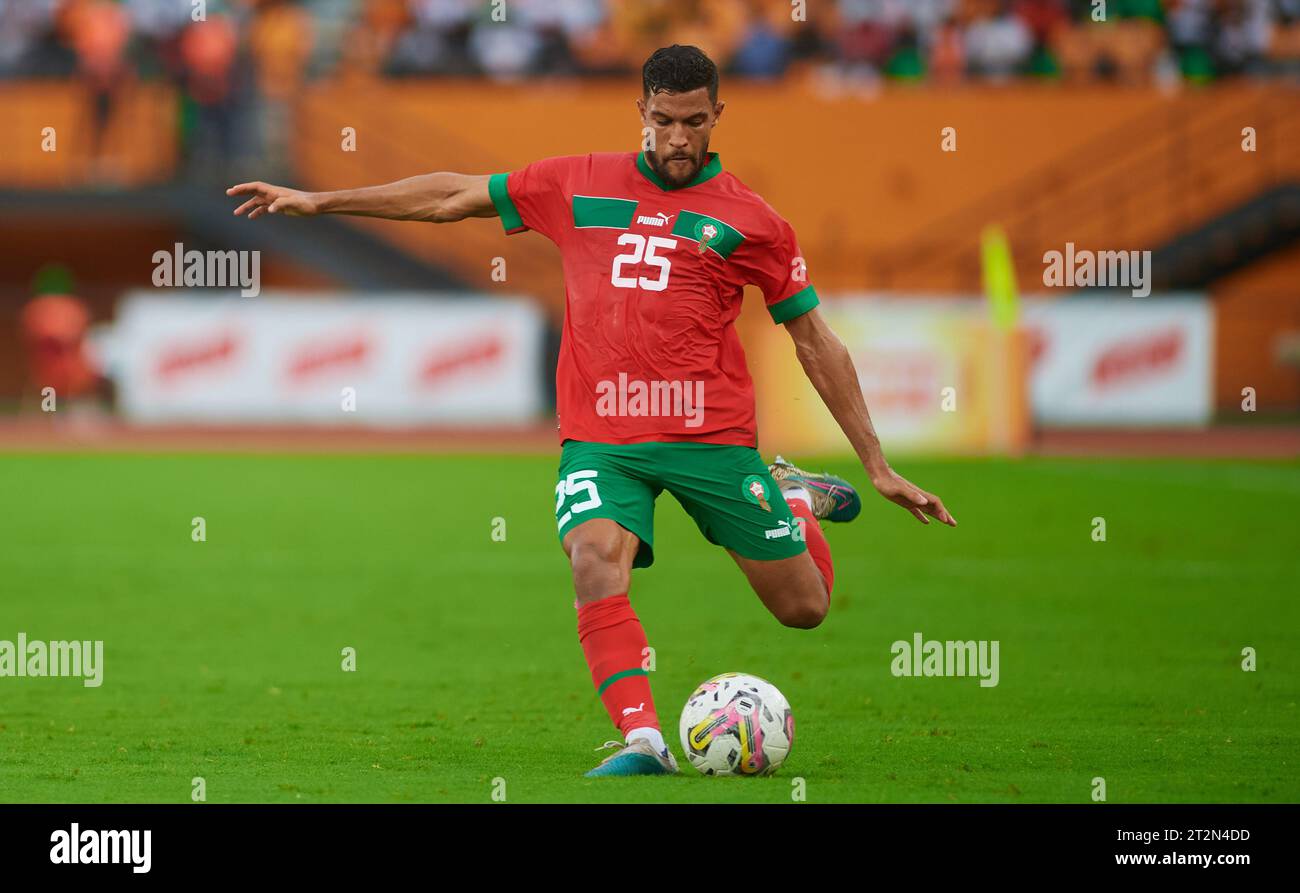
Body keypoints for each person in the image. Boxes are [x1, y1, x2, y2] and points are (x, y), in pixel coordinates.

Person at [227, 44, 956, 778]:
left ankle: (792, 497)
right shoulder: (573, 182)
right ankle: (644, 739)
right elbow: (454, 196)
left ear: (717, 117)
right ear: (641, 113)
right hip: (602, 438)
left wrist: (876, 463)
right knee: (592, 558)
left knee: (805, 607)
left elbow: (814, 339)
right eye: (665, 120)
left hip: (712, 439)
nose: (679, 138)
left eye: (695, 122)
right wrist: (321, 201)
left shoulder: (753, 221)